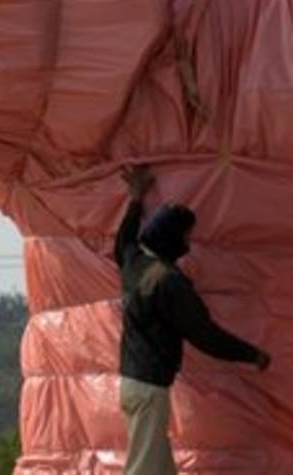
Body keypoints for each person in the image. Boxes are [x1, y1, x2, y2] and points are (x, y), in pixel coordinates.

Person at [116, 165, 271, 475]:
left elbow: (123, 241)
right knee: (144, 470)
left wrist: (135, 199)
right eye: (185, 234)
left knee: (159, 470)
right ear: (172, 237)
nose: (188, 242)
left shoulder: (134, 263)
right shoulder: (169, 282)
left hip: (131, 383)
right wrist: (251, 354)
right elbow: (206, 335)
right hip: (149, 388)